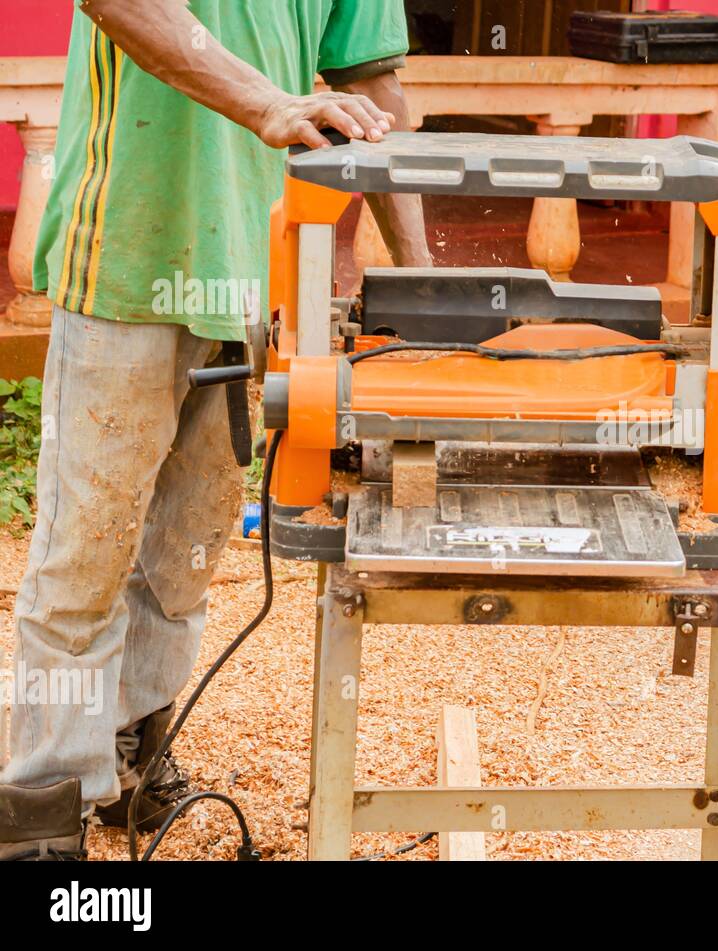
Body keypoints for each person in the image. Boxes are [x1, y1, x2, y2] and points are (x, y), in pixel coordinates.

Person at [0, 0, 431, 861]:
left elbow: (374, 81)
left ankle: (130, 746)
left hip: (246, 274)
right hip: (125, 254)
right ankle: (43, 803)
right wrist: (270, 104)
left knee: (186, 548)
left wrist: (425, 281)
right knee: (85, 550)